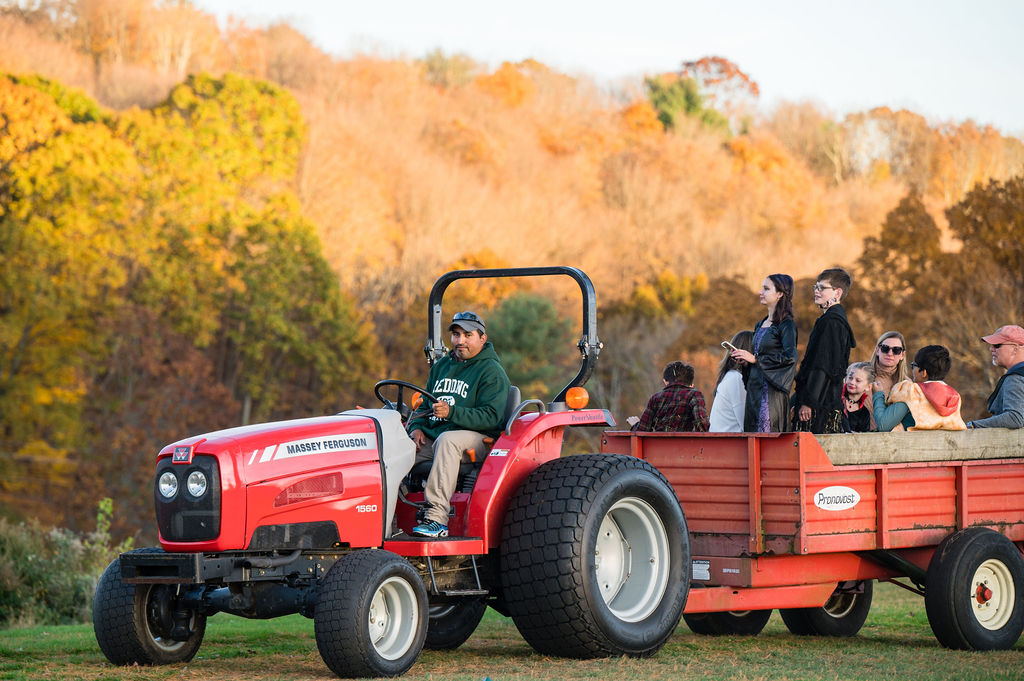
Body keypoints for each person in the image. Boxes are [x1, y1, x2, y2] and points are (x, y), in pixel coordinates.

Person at [407, 311, 511, 538]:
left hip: (479, 438)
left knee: (448, 441)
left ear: (482, 339)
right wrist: (416, 428)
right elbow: (424, 403)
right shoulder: (441, 366)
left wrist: (452, 412)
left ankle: (436, 520)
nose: (460, 340)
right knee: (396, 448)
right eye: (456, 334)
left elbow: (492, 417)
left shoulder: (491, 372)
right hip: (436, 436)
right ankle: (386, 517)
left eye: (468, 335)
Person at [792, 267, 857, 434]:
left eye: (822, 288)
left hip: (820, 404)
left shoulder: (831, 322)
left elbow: (823, 365)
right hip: (825, 400)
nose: (816, 291)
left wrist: (809, 402)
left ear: (838, 292)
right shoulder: (833, 319)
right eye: (816, 287)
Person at [730, 274, 797, 432]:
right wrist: (746, 362)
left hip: (771, 395)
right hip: (754, 391)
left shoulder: (786, 325)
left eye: (766, 289)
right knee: (753, 437)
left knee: (768, 437)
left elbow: (790, 358)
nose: (760, 292)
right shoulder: (760, 324)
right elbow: (756, 358)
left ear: (779, 294)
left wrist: (756, 359)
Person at [874, 345, 966, 431]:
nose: (912, 369)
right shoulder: (954, 396)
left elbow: (883, 425)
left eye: (913, 365)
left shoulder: (911, 392)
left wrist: (878, 394)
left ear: (924, 373)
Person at [966, 325, 1024, 430]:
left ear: (1015, 348)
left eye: (997, 345)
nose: (991, 349)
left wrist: (973, 425)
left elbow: (1015, 418)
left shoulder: (1015, 377)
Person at [627, 361, 709, 432]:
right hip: (686, 444)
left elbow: (642, 430)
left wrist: (635, 424)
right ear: (691, 384)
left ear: (665, 381)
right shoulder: (694, 395)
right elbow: (702, 425)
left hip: (659, 444)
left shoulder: (655, 398)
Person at [709, 330, 754, 432]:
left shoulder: (730, 376)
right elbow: (747, 424)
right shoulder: (737, 379)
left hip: (723, 439)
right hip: (729, 440)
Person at [870, 331, 911, 399]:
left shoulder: (907, 384)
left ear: (902, 355)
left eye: (896, 350)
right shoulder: (858, 373)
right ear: (877, 351)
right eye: (885, 348)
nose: (890, 354)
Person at [842, 362, 875, 432]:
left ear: (868, 387)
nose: (852, 382)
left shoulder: (864, 413)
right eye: (850, 378)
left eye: (858, 381)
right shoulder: (836, 400)